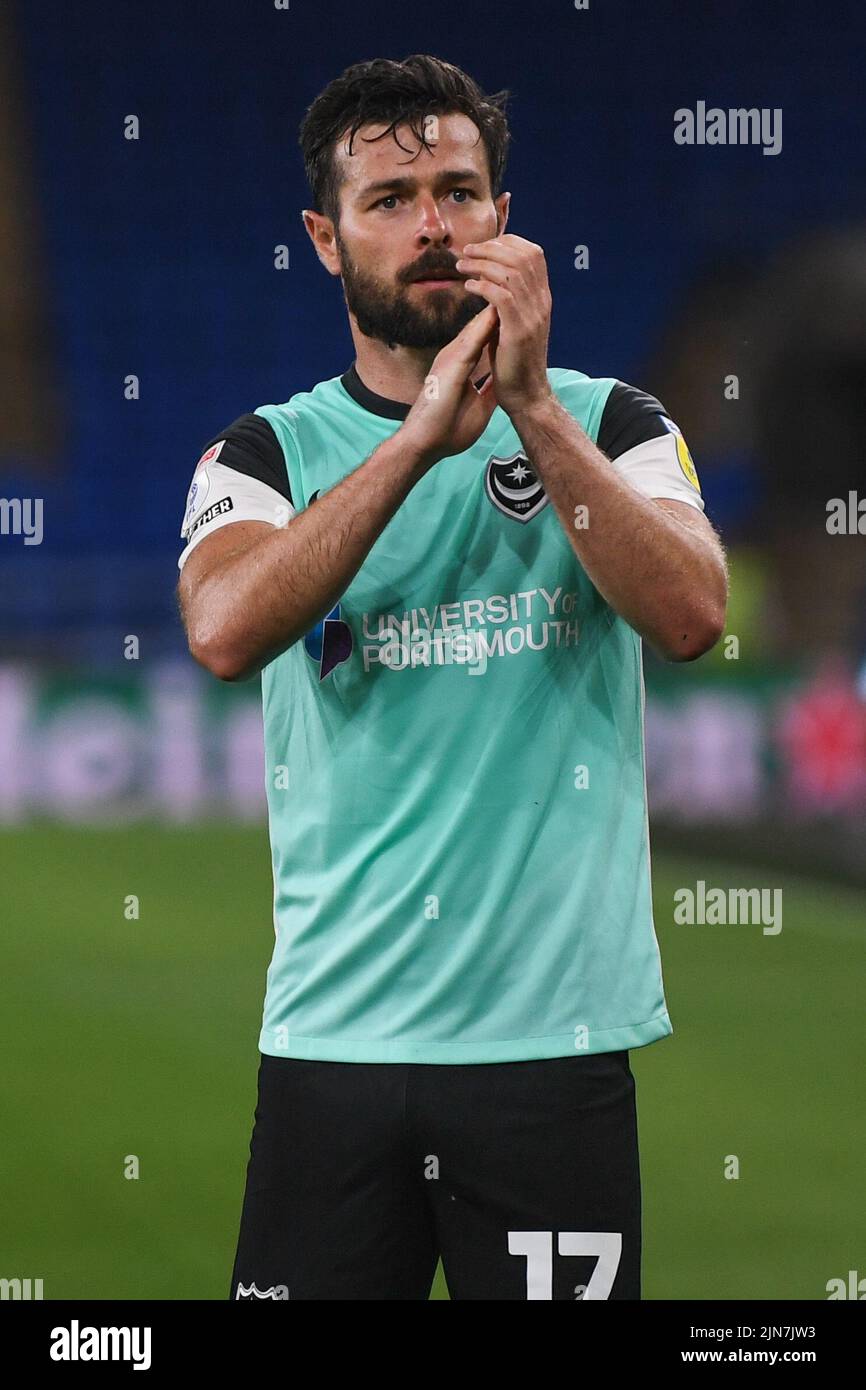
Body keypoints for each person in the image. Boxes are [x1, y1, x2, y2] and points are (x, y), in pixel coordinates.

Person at [176, 54, 728, 1301]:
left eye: (459, 191)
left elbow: (691, 612)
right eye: (389, 198)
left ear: (502, 217)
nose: (432, 224)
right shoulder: (265, 450)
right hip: (334, 1050)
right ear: (324, 238)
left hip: (552, 1058)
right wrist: (419, 441)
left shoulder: (615, 422)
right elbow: (222, 629)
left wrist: (529, 407)